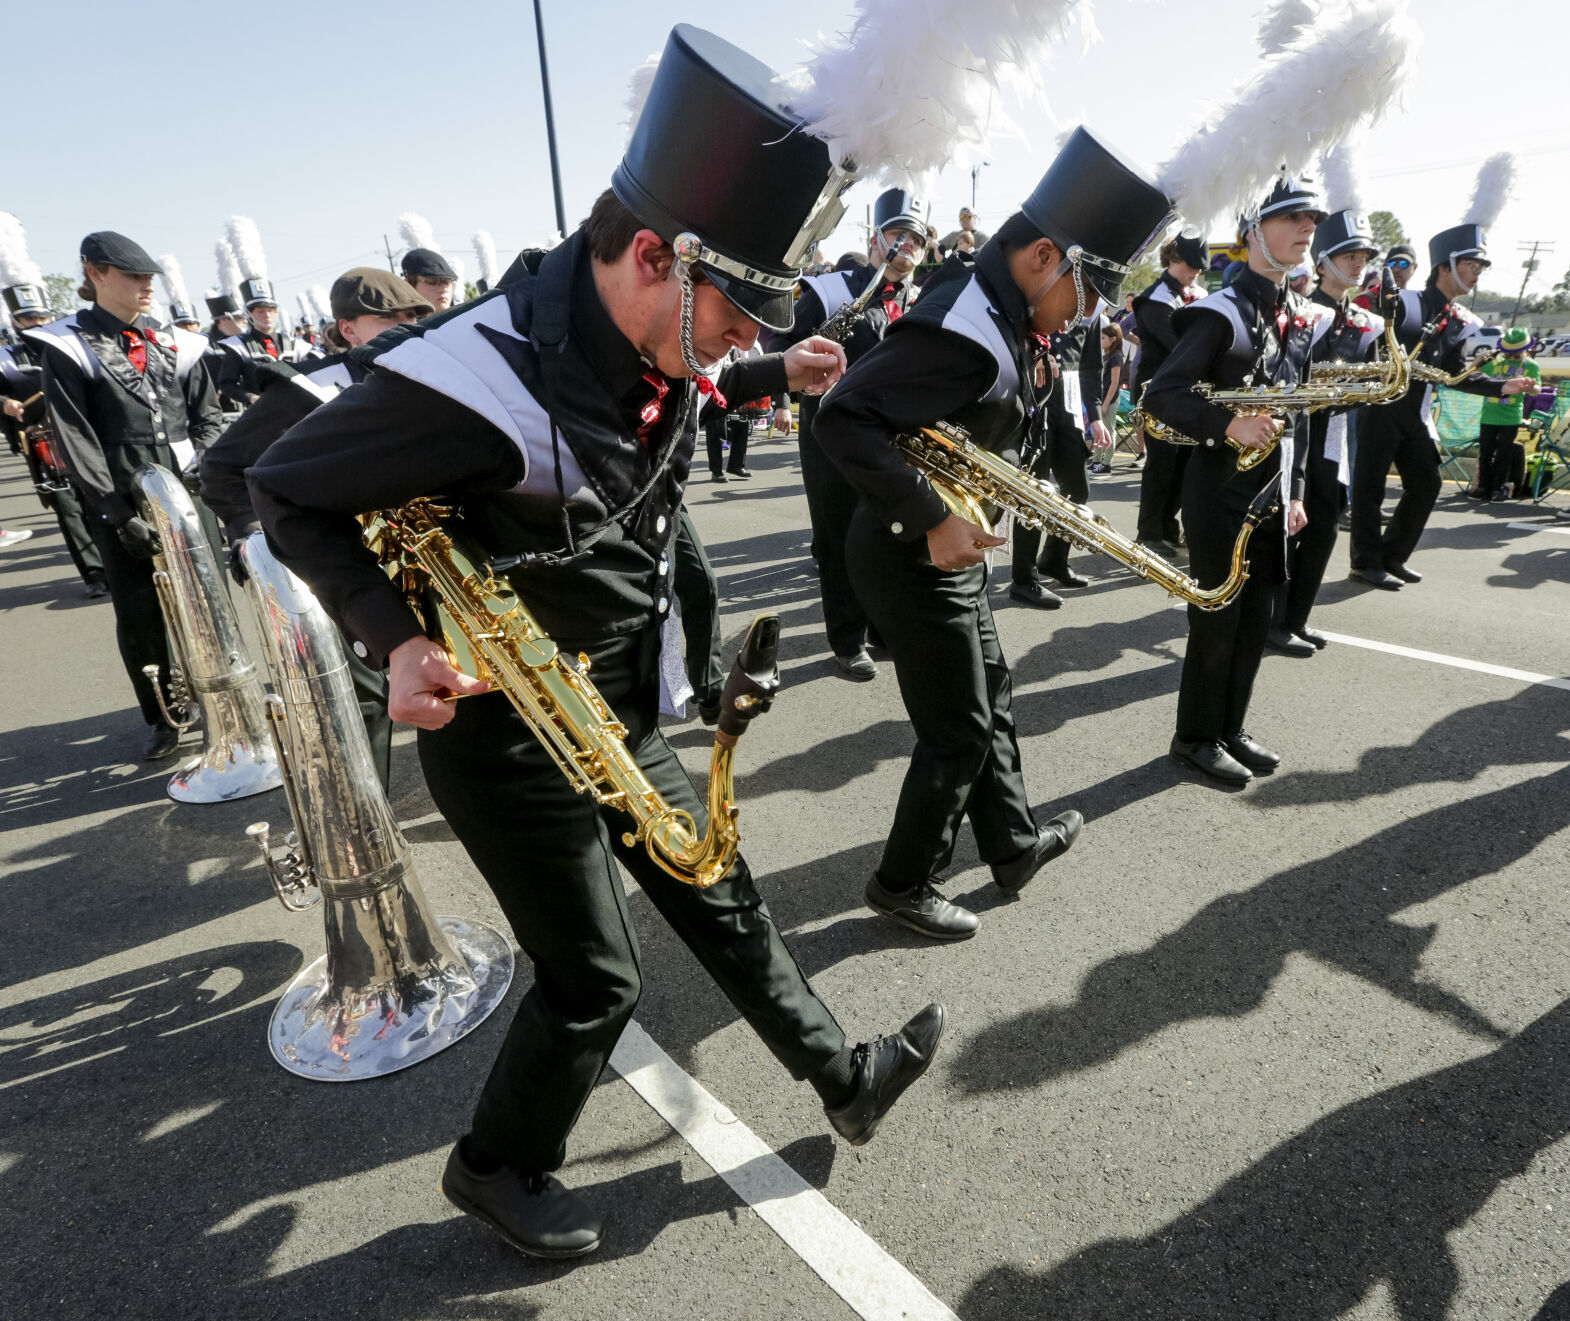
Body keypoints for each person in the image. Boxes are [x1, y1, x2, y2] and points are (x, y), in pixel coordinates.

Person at [248, 25, 942, 1261]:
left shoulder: (645, 327)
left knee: (713, 880)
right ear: (646, 258)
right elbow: (286, 486)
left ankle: (843, 1073)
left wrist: (771, 358)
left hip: (611, 690)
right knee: (594, 979)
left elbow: (674, 391)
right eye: (736, 312)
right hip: (506, 726)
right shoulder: (465, 371)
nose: (739, 334)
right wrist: (393, 640)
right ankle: (498, 1165)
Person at [814, 126, 1173, 938]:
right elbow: (843, 418)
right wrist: (933, 518)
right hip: (911, 553)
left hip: (949, 548)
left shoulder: (1002, 310)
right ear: (1044, 258)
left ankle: (1010, 844)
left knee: (994, 695)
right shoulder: (962, 328)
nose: (1093, 313)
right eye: (1092, 290)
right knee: (959, 730)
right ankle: (903, 881)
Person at [199, 268, 433, 789]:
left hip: (431, 566)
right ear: (348, 329)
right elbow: (222, 467)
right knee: (364, 702)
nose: (409, 324)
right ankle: (364, 833)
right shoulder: (310, 390)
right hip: (347, 567)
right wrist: (255, 532)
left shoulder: (435, 372)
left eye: (416, 314)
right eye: (389, 317)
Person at [1143, 175, 1323, 786]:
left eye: (1313, 219)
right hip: (1219, 486)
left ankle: (1230, 727)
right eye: (1293, 217)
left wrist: (1296, 491)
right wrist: (1227, 425)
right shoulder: (1218, 312)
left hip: (1273, 488)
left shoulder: (1296, 310)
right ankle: (1194, 736)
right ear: (1253, 232)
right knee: (1218, 614)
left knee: (1258, 612)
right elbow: (1162, 395)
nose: (1308, 228)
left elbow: (1293, 413)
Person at [30, 232, 223, 760]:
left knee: (211, 602)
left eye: (148, 278)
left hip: (188, 494)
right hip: (119, 496)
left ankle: (229, 702)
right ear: (94, 274)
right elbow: (75, 438)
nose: (145, 287)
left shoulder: (179, 341)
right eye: (132, 276)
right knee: (140, 614)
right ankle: (164, 715)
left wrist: (207, 471)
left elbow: (207, 416)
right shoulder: (67, 345)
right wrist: (115, 513)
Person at [765, 186, 927, 681]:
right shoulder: (831, 289)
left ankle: (882, 626)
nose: (906, 248)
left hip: (892, 436)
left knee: (890, 533)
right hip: (830, 432)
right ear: (876, 239)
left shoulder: (920, 299)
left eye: (916, 240)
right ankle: (847, 639)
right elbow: (776, 338)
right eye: (898, 235)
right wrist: (806, 367)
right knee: (838, 537)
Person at [1347, 221, 1529, 590]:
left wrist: (1501, 385)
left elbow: (1453, 374)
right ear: (1445, 266)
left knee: (1427, 483)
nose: (1477, 273)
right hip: (1378, 410)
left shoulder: (1457, 319)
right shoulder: (1405, 301)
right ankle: (1365, 563)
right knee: (1369, 489)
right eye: (1471, 264)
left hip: (1414, 416)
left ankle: (1392, 556)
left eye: (1481, 267)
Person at [1268, 207, 1393, 656]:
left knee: (1324, 531)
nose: (1358, 263)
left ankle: (1296, 619)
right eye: (1347, 254)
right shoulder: (1302, 311)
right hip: (1300, 433)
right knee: (1292, 532)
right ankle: (1275, 621)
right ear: (1322, 263)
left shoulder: (1364, 321)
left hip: (1336, 434)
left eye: (1363, 255)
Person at [2, 283, 107, 594]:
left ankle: (118, 566)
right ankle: (94, 575)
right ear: (16, 321)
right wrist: (4, 404)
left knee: (102, 497)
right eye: (29, 318)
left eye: (41, 317)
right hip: (45, 441)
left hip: (87, 432)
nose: (36, 323)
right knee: (70, 507)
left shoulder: (70, 345)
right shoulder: (5, 358)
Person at [1011, 305, 1104, 605]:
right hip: (1034, 400)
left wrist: (1098, 415)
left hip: (1070, 407)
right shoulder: (1041, 291)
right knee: (1036, 493)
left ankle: (1053, 558)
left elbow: (1091, 365)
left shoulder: (1094, 306)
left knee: (1077, 488)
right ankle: (1023, 579)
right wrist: (1033, 356)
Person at [1133, 233, 1208, 553]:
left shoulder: (1198, 294)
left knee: (1186, 464)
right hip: (1160, 391)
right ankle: (1149, 532)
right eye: (1191, 265)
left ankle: (1167, 524)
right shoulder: (1155, 299)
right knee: (1161, 463)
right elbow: (1179, 346)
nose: (1196, 273)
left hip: (1191, 390)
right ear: (1174, 259)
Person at [1469, 326, 1540, 501]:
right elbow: (1471, 374)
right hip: (1489, 416)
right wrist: (1478, 359)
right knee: (1485, 453)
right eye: (1509, 352)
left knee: (1504, 454)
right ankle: (1482, 488)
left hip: (1510, 417)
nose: (1512, 356)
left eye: (1516, 353)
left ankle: (1497, 488)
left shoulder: (1530, 365)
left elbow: (1537, 390)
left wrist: (1531, 388)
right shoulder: (1495, 362)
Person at [215, 274, 298, 410]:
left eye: (271, 311)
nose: (267, 315)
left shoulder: (292, 342)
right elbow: (226, 384)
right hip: (260, 413)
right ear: (249, 314)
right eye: (261, 311)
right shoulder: (238, 345)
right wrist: (250, 397)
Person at [1088, 319, 1125, 475]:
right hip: (1101, 398)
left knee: (1108, 430)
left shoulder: (1116, 356)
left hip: (1110, 399)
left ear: (1113, 339)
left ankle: (1106, 463)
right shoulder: (1107, 356)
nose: (1101, 341)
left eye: (1104, 338)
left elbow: (1114, 383)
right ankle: (1096, 459)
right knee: (1099, 430)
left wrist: (1105, 404)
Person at [400, 247, 459, 313]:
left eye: (447, 282)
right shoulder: (394, 322)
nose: (443, 289)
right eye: (432, 282)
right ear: (409, 285)